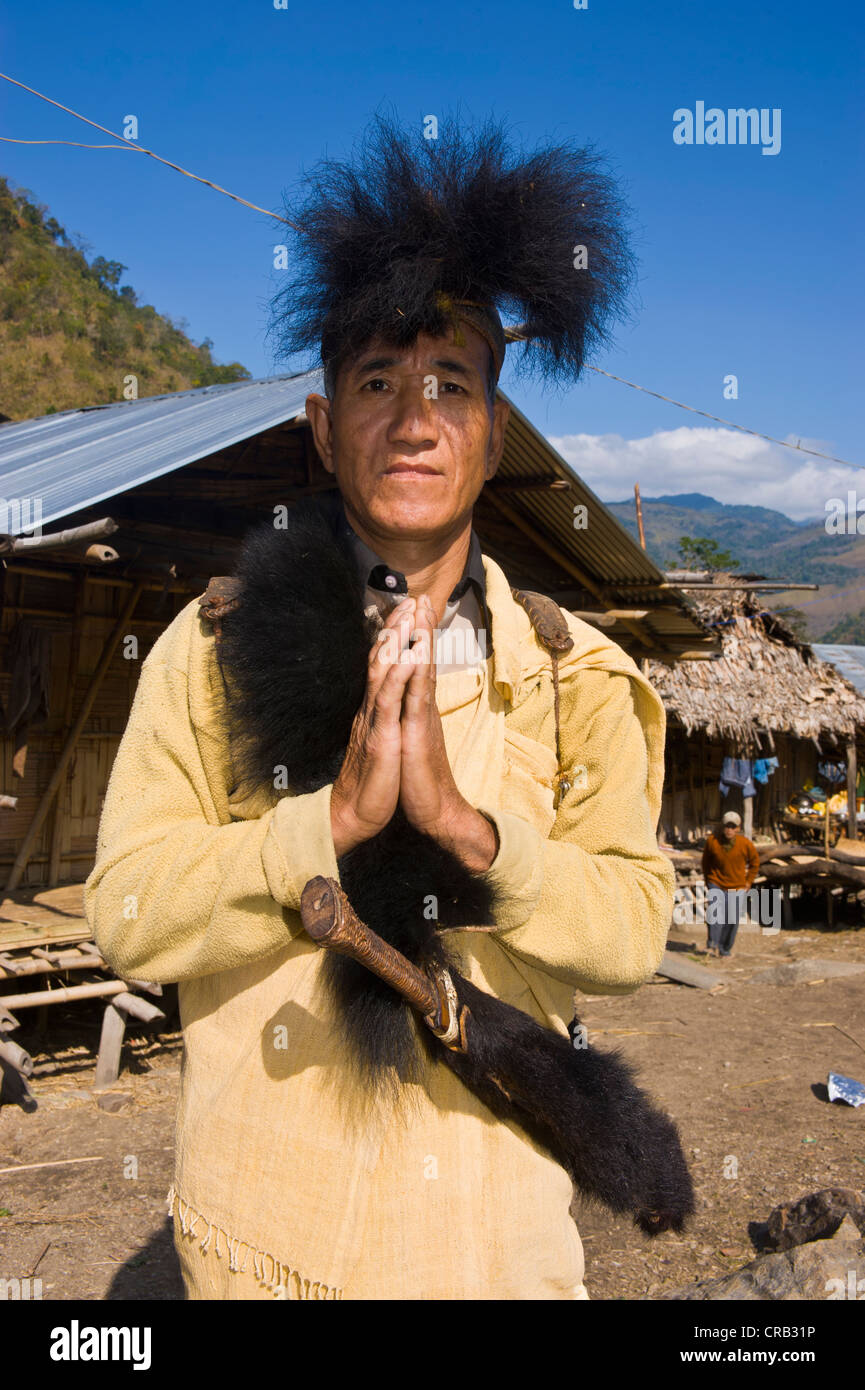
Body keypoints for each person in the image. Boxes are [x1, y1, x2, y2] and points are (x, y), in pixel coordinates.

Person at [85, 117, 677, 1300]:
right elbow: (126, 914)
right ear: (323, 426)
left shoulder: (584, 678)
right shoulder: (209, 654)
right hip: (260, 1250)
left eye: (451, 384)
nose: (414, 419)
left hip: (495, 1259)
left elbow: (632, 932)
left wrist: (473, 833)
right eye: (377, 383)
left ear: (495, 435)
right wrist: (327, 830)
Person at [701, 810, 760, 958]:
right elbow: (705, 862)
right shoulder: (712, 842)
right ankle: (712, 944)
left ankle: (724, 948)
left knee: (732, 919)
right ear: (723, 827)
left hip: (737, 885)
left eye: (733, 827)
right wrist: (709, 880)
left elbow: (755, 862)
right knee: (715, 914)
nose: (729, 830)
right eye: (727, 826)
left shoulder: (745, 844)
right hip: (717, 882)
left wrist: (749, 881)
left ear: (738, 829)